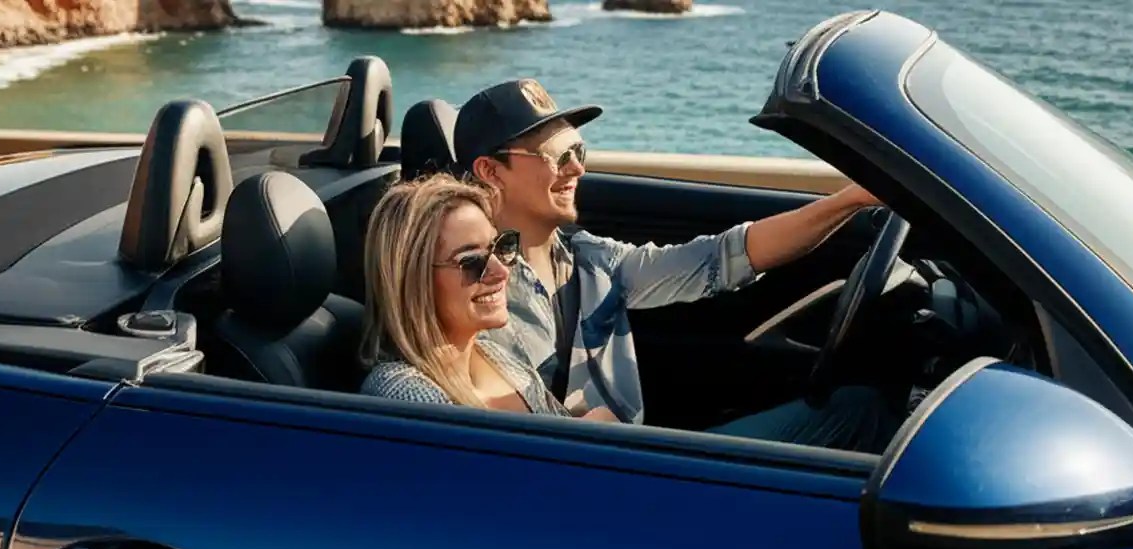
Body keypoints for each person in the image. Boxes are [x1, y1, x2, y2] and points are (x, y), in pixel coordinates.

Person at [451, 78, 900, 452]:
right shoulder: (470, 289)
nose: (577, 170)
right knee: (860, 416)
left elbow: (721, 258)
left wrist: (853, 199)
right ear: (491, 172)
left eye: (580, 152)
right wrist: (572, 430)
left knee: (860, 406)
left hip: (630, 457)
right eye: (558, 157)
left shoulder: (591, 260)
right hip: (598, 483)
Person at [358, 172, 619, 421]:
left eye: (501, 247)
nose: (501, 271)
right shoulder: (407, 395)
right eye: (471, 261)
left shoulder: (493, 355)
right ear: (412, 279)